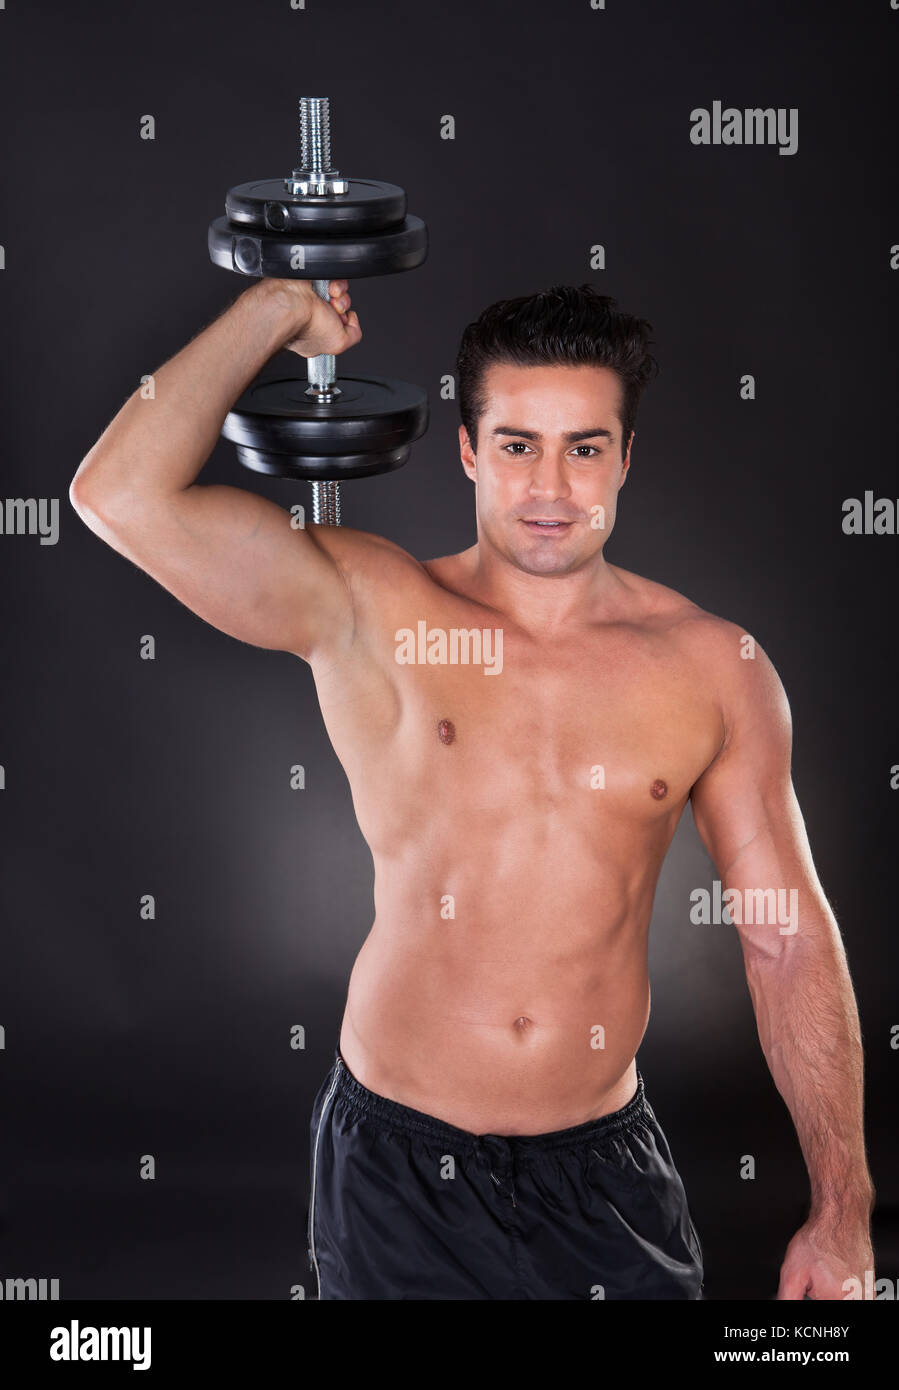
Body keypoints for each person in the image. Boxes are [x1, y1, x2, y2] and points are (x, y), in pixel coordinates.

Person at [69, 278, 875, 1301]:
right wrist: (276, 307)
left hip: (602, 1177)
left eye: (584, 447)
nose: (550, 484)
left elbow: (784, 933)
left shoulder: (716, 668)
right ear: (465, 450)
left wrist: (841, 1214)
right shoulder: (370, 603)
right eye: (515, 444)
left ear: (624, 458)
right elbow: (117, 494)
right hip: (396, 1168)